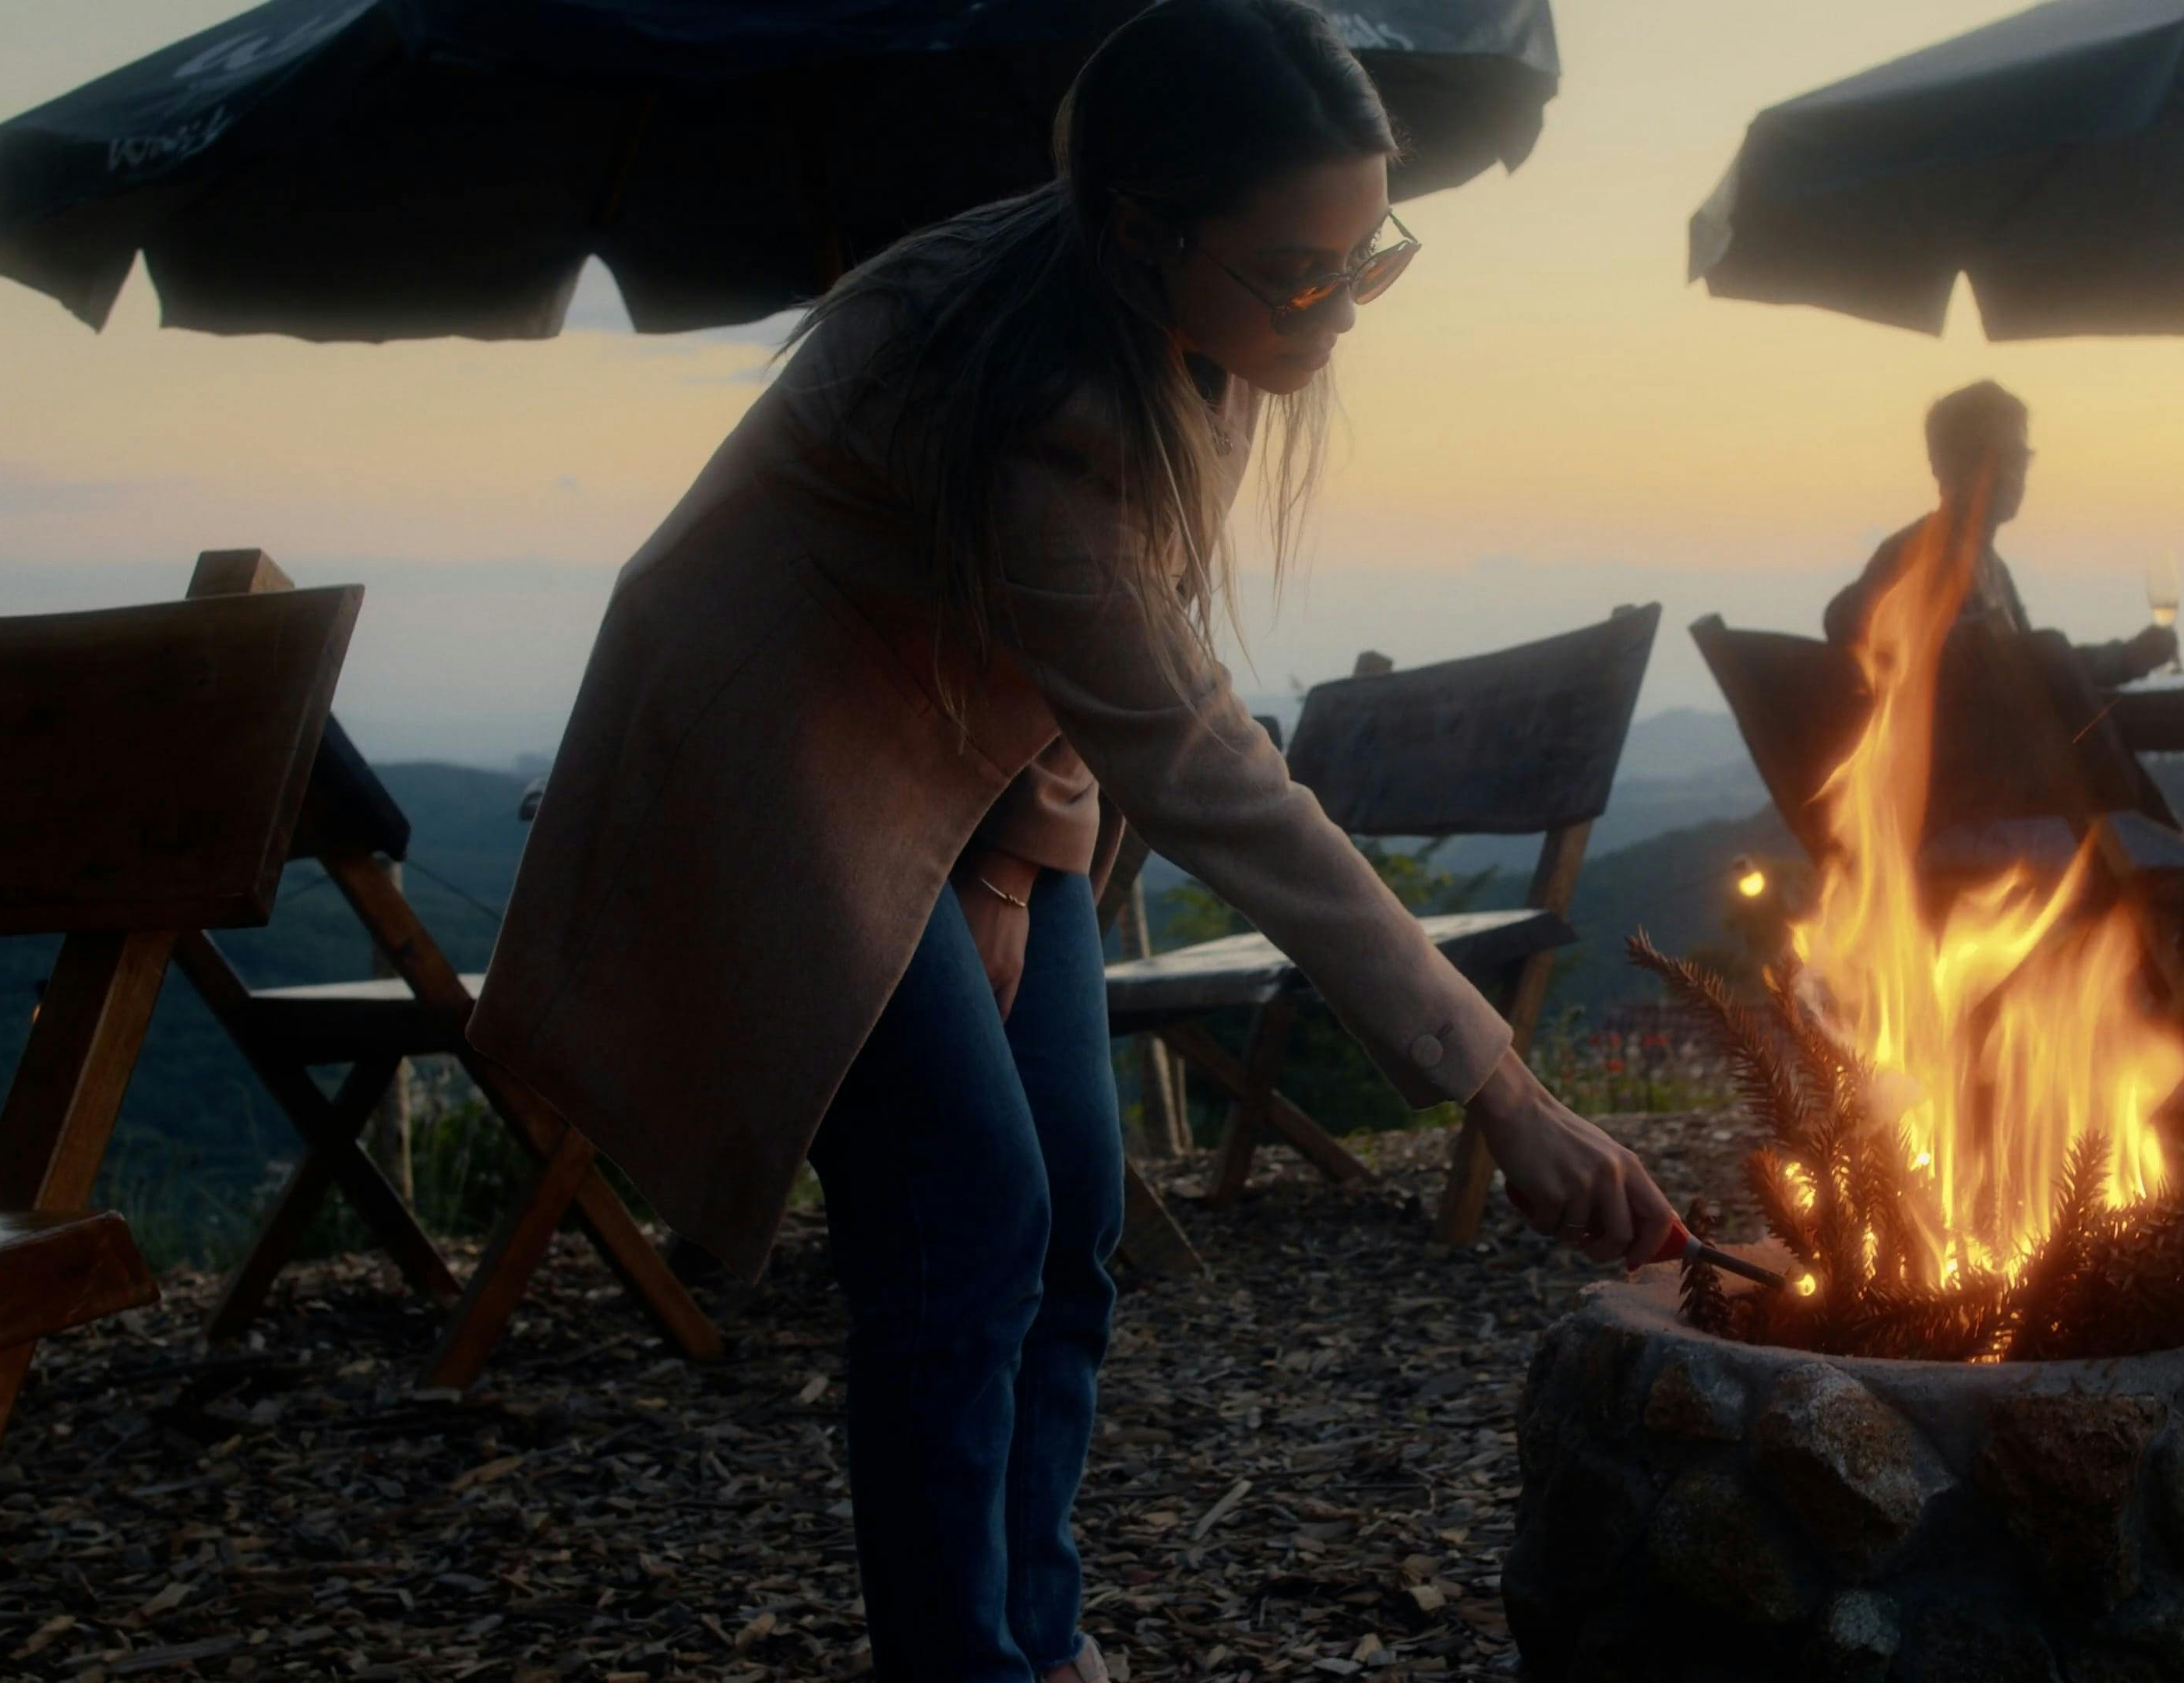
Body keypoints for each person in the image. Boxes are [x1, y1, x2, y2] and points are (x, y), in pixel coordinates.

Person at [466, 7, 1678, 1679]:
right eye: (1295, 272)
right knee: (967, 1216)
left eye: (1362, 262)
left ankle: (1040, 1636)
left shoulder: (1184, 333)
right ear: (1138, 225)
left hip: (966, 757)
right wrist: (1504, 1093)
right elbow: (1199, 762)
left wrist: (1011, 871)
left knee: (1074, 1209)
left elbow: (1093, 674)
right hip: (769, 756)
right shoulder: (1048, 409)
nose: (1332, 308)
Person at [1825, 380, 2179, 686]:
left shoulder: (1990, 566)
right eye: (1995, 458)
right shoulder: (1920, 555)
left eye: (2019, 458)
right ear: (1946, 467)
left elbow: (2029, 667)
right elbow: (1842, 618)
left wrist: (2127, 659)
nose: (2011, 474)